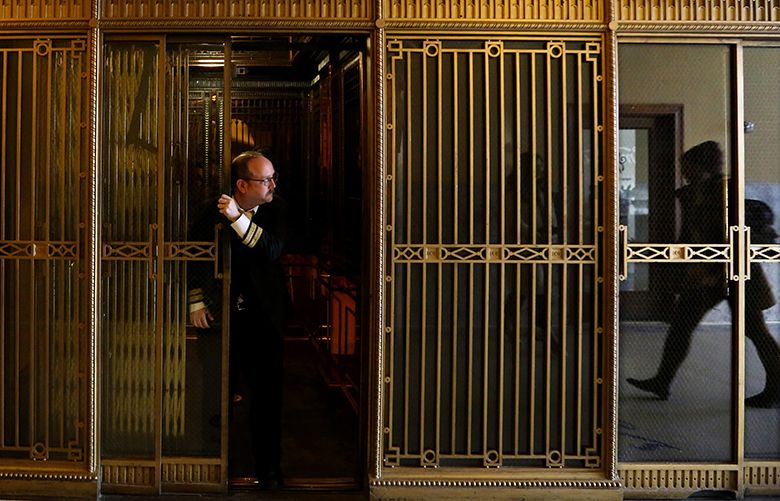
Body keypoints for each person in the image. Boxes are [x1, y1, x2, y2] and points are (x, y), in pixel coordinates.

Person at [627, 140, 780, 408]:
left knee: (755, 330)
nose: (683, 171)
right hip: (704, 274)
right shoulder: (691, 193)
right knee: (681, 326)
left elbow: (728, 233)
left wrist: (712, 270)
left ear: (698, 166)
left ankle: (776, 388)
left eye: (686, 165)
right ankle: (662, 381)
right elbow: (689, 236)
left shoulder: (725, 190)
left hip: (734, 272)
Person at [189, 150, 289, 487]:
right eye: (266, 180)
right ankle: (213, 463)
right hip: (222, 317)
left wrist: (237, 219)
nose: (273, 184)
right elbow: (196, 256)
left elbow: (271, 249)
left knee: (267, 397)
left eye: (273, 177)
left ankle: (269, 469)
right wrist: (196, 303)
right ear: (242, 185)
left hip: (265, 319)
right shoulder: (209, 211)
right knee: (216, 391)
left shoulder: (277, 210)